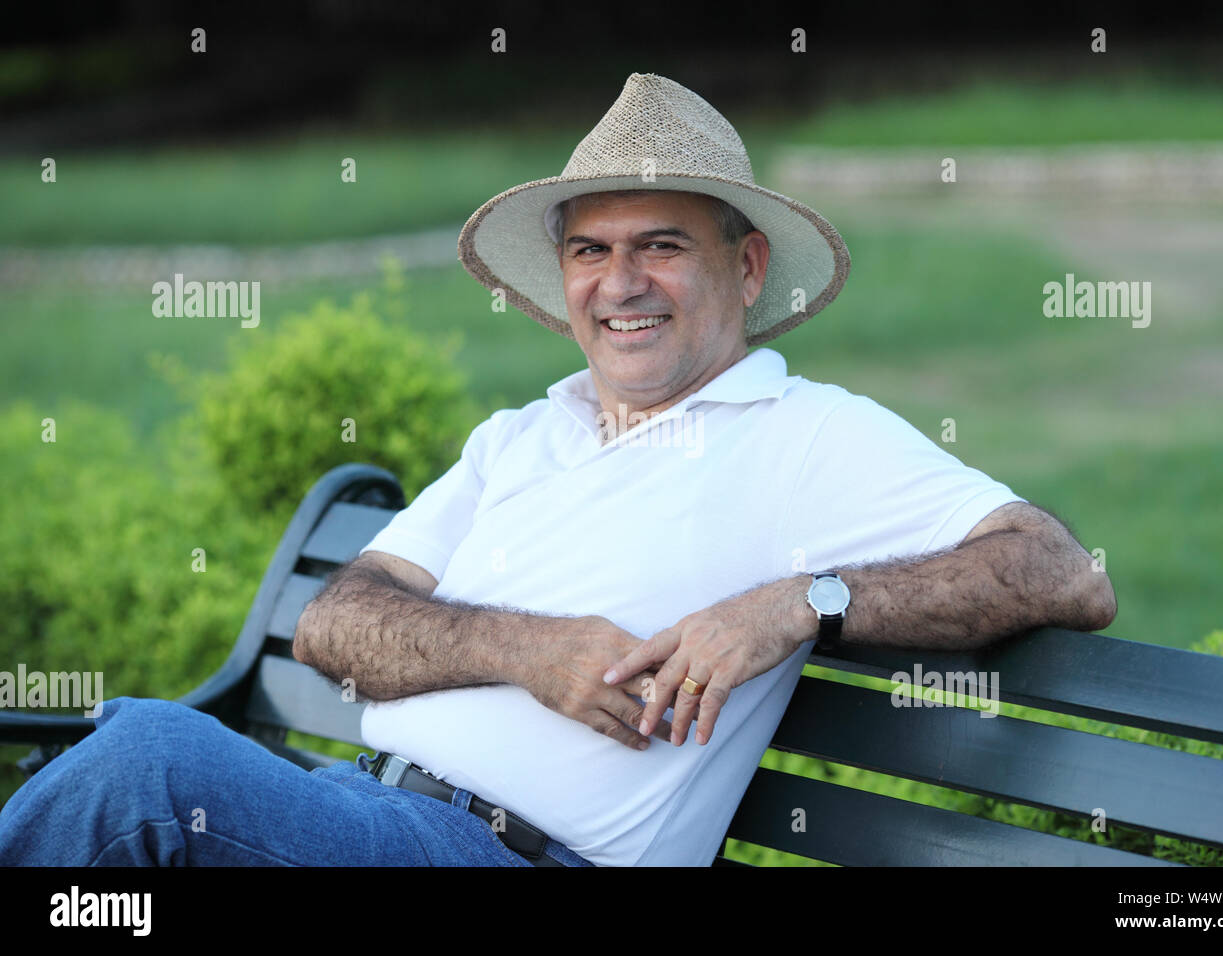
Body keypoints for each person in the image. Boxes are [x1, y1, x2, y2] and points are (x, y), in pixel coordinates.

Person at [0, 73, 1115, 868]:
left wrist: (799, 601)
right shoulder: (525, 432)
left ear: (747, 263)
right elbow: (339, 624)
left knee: (146, 762)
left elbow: (1060, 571)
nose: (620, 280)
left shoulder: (808, 434)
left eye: (662, 245)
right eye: (591, 249)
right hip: (347, 813)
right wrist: (527, 649)